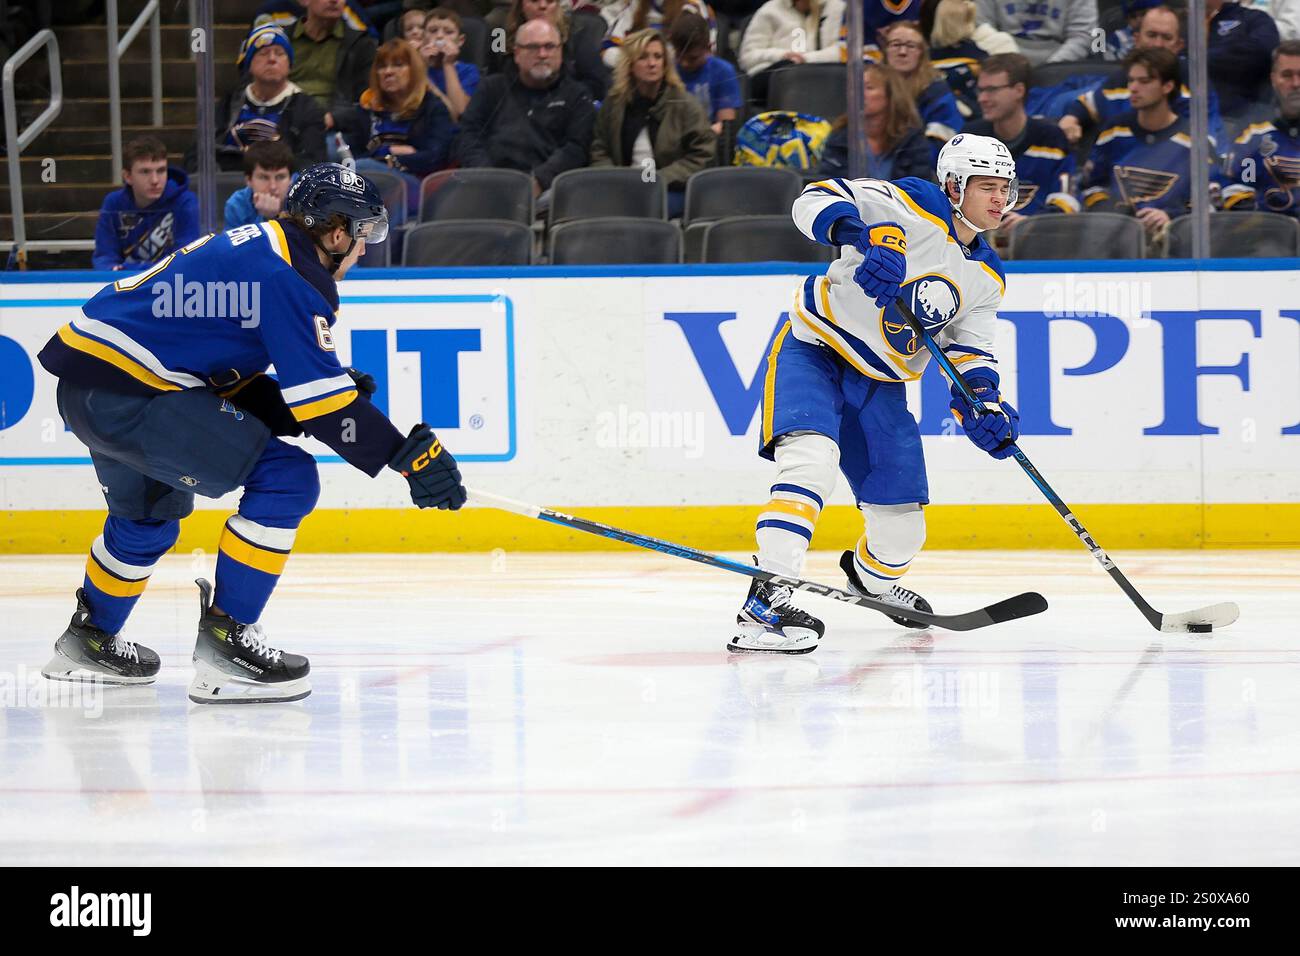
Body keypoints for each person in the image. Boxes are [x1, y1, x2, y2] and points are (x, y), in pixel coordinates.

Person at [38, 164, 468, 703]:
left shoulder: (261, 246)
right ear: (336, 234)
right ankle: (228, 642)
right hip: (134, 396)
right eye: (362, 237)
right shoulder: (290, 276)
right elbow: (327, 406)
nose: (361, 252)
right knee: (288, 479)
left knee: (146, 520)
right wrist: (406, 458)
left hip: (94, 388)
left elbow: (208, 362)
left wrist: (292, 404)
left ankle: (88, 641)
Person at [730, 133, 1018, 653]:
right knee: (810, 464)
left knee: (903, 529)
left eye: (1006, 188)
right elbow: (812, 197)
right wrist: (859, 234)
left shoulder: (988, 276)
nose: (999, 199)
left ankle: (871, 581)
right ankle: (765, 603)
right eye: (987, 187)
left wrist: (983, 402)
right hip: (814, 351)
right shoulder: (912, 202)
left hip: (882, 385)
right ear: (954, 186)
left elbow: (970, 351)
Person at [1081, 48, 1225, 240]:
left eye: (1144, 81)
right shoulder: (1114, 131)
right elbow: (1091, 186)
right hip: (1116, 240)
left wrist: (1172, 217)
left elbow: (1210, 202)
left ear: (1167, 86)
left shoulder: (1195, 142)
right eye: (1131, 80)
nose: (1133, 88)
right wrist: (1112, 214)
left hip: (1174, 246)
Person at [455, 18, 597, 199]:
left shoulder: (578, 95)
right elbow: (468, 135)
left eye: (550, 46)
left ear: (560, 51)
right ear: (516, 53)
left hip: (549, 189)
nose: (543, 54)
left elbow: (576, 148)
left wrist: (539, 181)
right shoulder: (491, 87)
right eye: (533, 47)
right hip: (487, 184)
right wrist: (486, 176)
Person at [1058, 6, 1226, 155]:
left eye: (1166, 38)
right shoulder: (1121, 77)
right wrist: (1070, 119)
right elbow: (1089, 103)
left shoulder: (1195, 84)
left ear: (1178, 46)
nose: (1158, 44)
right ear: (1137, 40)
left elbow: (1209, 142)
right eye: (1151, 35)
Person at [590, 29, 716, 216]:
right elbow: (599, 149)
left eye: (658, 57)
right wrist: (617, 179)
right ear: (630, 64)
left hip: (670, 189)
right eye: (643, 57)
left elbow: (703, 155)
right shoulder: (614, 104)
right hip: (623, 188)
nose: (652, 63)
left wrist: (658, 179)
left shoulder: (685, 105)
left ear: (665, 64)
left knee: (647, 209)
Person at [961, 52, 1078, 234]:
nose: (982, 98)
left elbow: (1066, 198)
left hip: (1037, 243)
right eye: (981, 90)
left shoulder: (1050, 137)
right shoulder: (970, 138)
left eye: (992, 90)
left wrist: (1033, 223)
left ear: (1019, 91)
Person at [344, 38, 456, 213]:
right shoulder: (367, 110)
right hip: (369, 179)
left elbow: (435, 157)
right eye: (382, 66)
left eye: (398, 65)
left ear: (414, 71)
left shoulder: (432, 108)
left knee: (362, 168)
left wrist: (391, 160)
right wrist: (391, 154)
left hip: (417, 184)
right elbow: (354, 153)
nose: (388, 72)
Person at [203, 23, 326, 173]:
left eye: (279, 53)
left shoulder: (307, 108)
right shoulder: (229, 104)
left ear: (289, 64)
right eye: (263, 53)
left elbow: (312, 163)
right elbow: (198, 153)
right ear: (249, 64)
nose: (272, 59)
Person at [93, 136, 200, 272]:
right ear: (128, 177)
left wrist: (127, 269)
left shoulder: (185, 202)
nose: (155, 180)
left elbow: (184, 262)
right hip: (125, 285)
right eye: (145, 172)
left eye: (161, 171)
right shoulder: (113, 203)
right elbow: (104, 258)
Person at [812, 62, 932, 181]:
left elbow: (919, 190)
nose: (859, 94)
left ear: (891, 95)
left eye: (869, 88)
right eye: (856, 88)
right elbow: (827, 188)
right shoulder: (840, 137)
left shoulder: (912, 140)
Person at [1223, 41, 1300, 217]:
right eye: (1287, 75)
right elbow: (1239, 187)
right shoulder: (1252, 134)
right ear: (1274, 79)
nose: (1296, 83)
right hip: (1269, 236)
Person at [277, 0, 379, 129]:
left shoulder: (361, 45)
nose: (334, 1)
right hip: (282, 121)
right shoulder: (279, 42)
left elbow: (366, 102)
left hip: (334, 127)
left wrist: (333, 119)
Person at [495, 0, 611, 102]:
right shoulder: (500, 33)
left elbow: (596, 85)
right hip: (515, 109)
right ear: (521, 5)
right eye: (534, 0)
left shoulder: (579, 33)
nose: (542, 6)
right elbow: (495, 79)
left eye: (550, 1)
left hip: (565, 108)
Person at [737, 0, 845, 104]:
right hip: (773, 75)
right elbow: (747, 56)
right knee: (788, 69)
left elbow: (844, 51)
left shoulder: (836, 8)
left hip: (822, 75)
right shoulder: (769, 10)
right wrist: (782, 55)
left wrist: (805, 59)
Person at [881, 20, 962, 152]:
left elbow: (943, 147)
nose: (902, 52)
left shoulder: (937, 92)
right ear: (885, 50)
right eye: (896, 44)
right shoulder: (873, 89)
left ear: (921, 52)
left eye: (911, 46)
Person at [1205, 0, 1281, 120]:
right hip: (1185, 118)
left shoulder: (1254, 19)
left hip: (1239, 119)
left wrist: (1200, 59)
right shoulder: (1177, 22)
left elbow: (1261, 51)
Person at [668, 11, 740, 136]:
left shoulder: (723, 71)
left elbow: (725, 126)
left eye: (692, 58)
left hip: (709, 140)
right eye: (679, 56)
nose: (684, 63)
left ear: (709, 48)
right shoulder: (668, 69)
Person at [973, 0, 1097, 66]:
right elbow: (982, 29)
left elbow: (1082, 36)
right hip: (1002, 61)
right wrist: (1010, 67)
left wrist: (1050, 68)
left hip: (1059, 66)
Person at [600, 0, 717, 70]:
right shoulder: (636, 4)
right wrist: (635, 63)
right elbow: (607, 50)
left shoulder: (692, 6)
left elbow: (701, 55)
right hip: (637, 74)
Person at [421, 6, 480, 122]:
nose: (439, 36)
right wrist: (420, 67)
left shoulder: (469, 71)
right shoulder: (412, 67)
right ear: (423, 37)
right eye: (433, 31)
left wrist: (448, 64)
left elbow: (460, 113)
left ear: (460, 41)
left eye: (448, 32)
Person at [225, 140, 297, 228]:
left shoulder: (305, 199)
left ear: (291, 179)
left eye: (280, 177)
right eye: (264, 177)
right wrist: (266, 219)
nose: (273, 186)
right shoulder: (237, 205)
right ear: (249, 180)